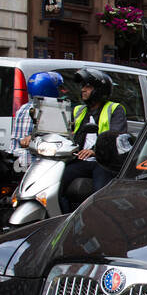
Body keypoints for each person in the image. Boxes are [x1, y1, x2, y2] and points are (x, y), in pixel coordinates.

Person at [57, 69, 125, 213]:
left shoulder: (114, 109)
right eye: (83, 86)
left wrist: (94, 151)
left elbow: (115, 136)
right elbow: (64, 132)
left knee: (99, 196)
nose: (83, 90)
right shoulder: (79, 110)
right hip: (80, 160)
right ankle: (64, 218)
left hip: (103, 162)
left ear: (99, 89)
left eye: (88, 86)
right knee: (55, 184)